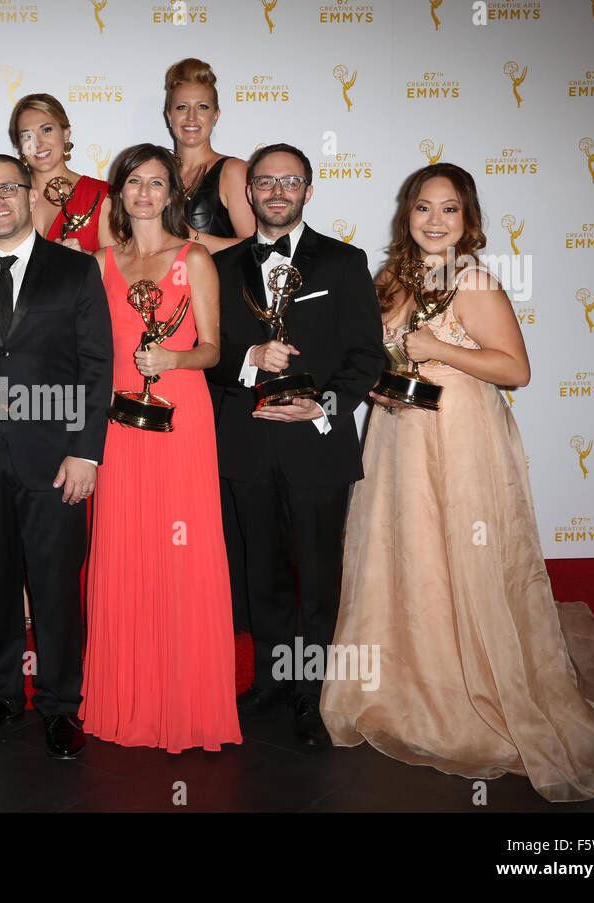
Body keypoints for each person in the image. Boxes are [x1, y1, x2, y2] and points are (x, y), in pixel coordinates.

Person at [320, 163, 594, 801]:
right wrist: (377, 381)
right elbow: (382, 357)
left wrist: (441, 348)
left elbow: (516, 370)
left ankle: (475, 692)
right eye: (422, 207)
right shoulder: (391, 281)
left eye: (448, 209)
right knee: (408, 558)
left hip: (460, 437)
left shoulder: (475, 282)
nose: (433, 221)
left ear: (468, 218)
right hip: (399, 433)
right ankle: (408, 689)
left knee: (466, 556)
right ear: (407, 214)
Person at [206, 142, 383, 746]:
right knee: (263, 575)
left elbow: (367, 356)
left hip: (317, 446)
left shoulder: (342, 262)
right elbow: (207, 355)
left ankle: (312, 693)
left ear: (309, 190)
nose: (277, 191)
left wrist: (326, 404)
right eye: (265, 181)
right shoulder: (221, 268)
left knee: (315, 575)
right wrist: (249, 359)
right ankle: (273, 681)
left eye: (290, 181)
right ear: (248, 190)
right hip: (246, 446)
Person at [0, 154, 112, 759]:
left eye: (8, 188)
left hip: (55, 457)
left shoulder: (75, 270)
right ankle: (0, 697)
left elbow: (96, 367)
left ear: (29, 193)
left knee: (57, 585)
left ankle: (62, 706)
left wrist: (87, 454)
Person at [79, 144, 240, 752]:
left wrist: (171, 357)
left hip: (181, 420)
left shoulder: (194, 259)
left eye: (156, 183)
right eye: (133, 183)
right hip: (119, 422)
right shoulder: (99, 263)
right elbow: (90, 353)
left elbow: (214, 350)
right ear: (118, 192)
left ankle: (183, 703)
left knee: (182, 551)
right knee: (122, 546)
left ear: (172, 193)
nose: (144, 193)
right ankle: (126, 702)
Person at [163, 58, 255, 253]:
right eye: (182, 107)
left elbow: (255, 247)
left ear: (216, 116)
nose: (191, 117)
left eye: (202, 107)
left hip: (218, 283)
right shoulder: (157, 172)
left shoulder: (233, 171)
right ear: (169, 116)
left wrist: (191, 237)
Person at [9, 93, 114, 253]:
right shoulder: (9, 197)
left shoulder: (101, 195)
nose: (38, 143)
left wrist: (84, 257)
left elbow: (117, 272)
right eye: (27, 135)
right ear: (19, 144)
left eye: (47, 130)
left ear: (65, 133)